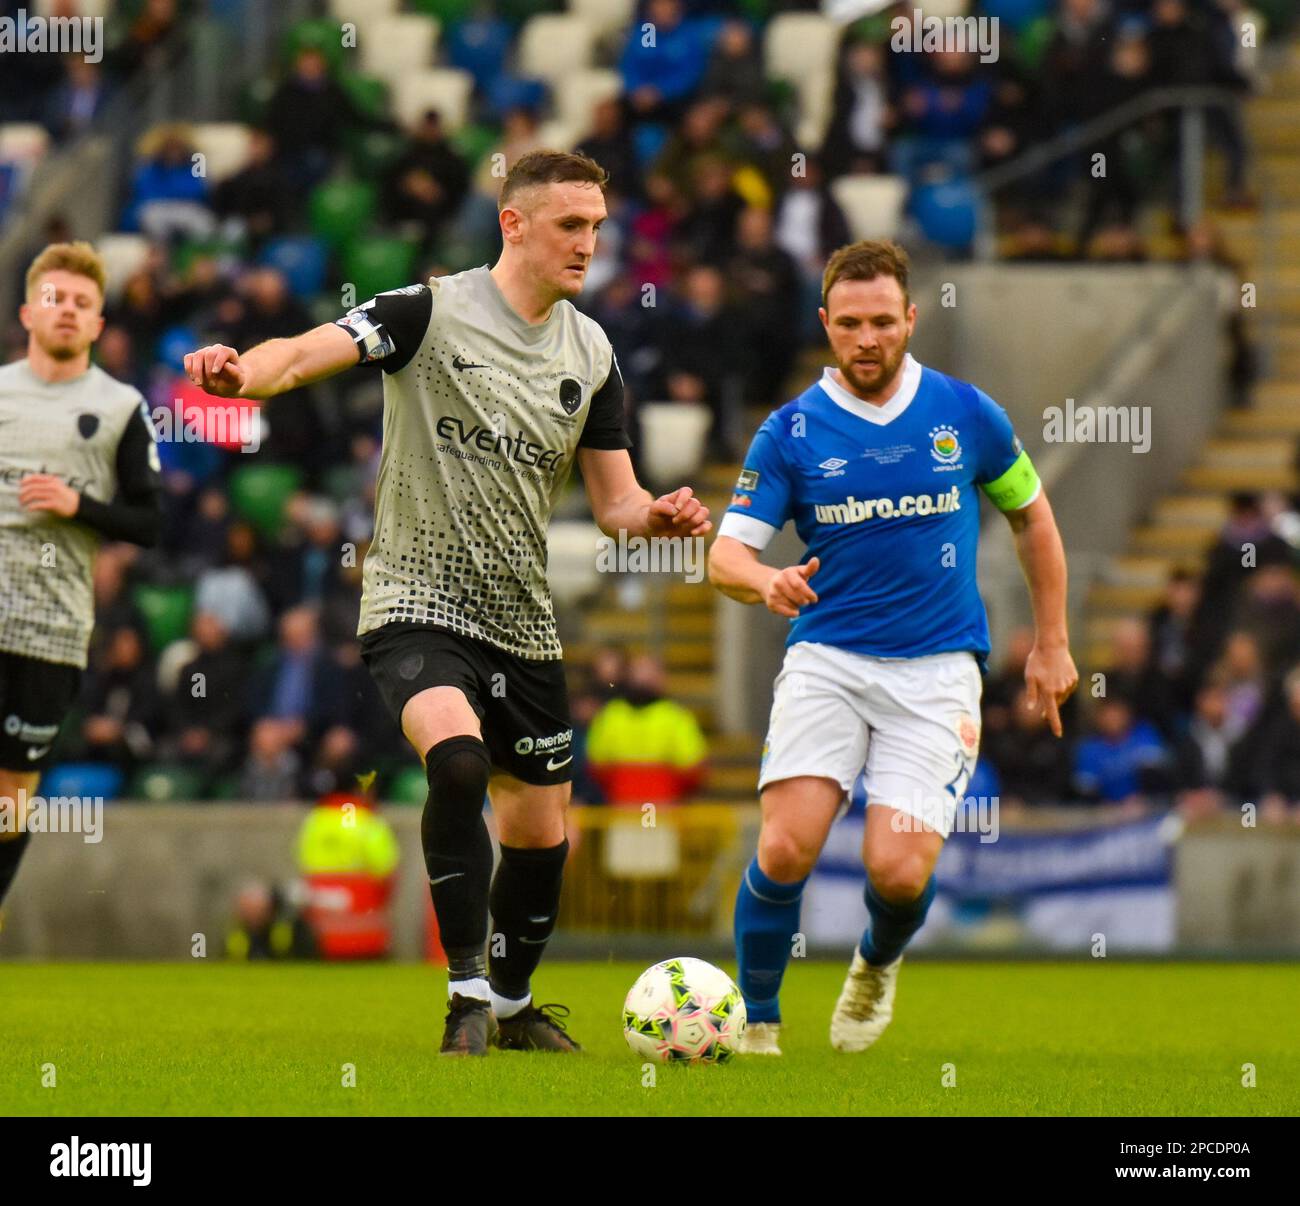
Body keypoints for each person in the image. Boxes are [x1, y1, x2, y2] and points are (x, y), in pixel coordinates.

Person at [184, 150, 712, 1056]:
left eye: (596, 226)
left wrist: (657, 516)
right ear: (514, 223)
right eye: (569, 225)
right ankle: (464, 991)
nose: (590, 243)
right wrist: (243, 375)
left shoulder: (591, 350)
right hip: (415, 597)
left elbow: (618, 503)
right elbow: (307, 353)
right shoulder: (428, 311)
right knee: (457, 761)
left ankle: (510, 1005)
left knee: (543, 837)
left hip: (521, 618)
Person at [707, 240, 1077, 1056]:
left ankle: (875, 962)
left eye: (882, 321)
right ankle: (758, 1026)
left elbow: (1033, 519)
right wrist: (765, 581)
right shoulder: (790, 431)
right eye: (849, 323)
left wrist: (1052, 642)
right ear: (825, 325)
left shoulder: (965, 413)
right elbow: (725, 553)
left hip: (938, 671)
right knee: (785, 844)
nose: (866, 338)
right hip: (828, 662)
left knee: (899, 872)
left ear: (910, 319)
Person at [0, 242, 163, 910]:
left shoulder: (121, 408)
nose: (66, 311)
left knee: (9, 799)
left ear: (98, 325)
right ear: (27, 313)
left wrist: (79, 506)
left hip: (50, 633)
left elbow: (148, 523)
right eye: (55, 298)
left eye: (81, 303)